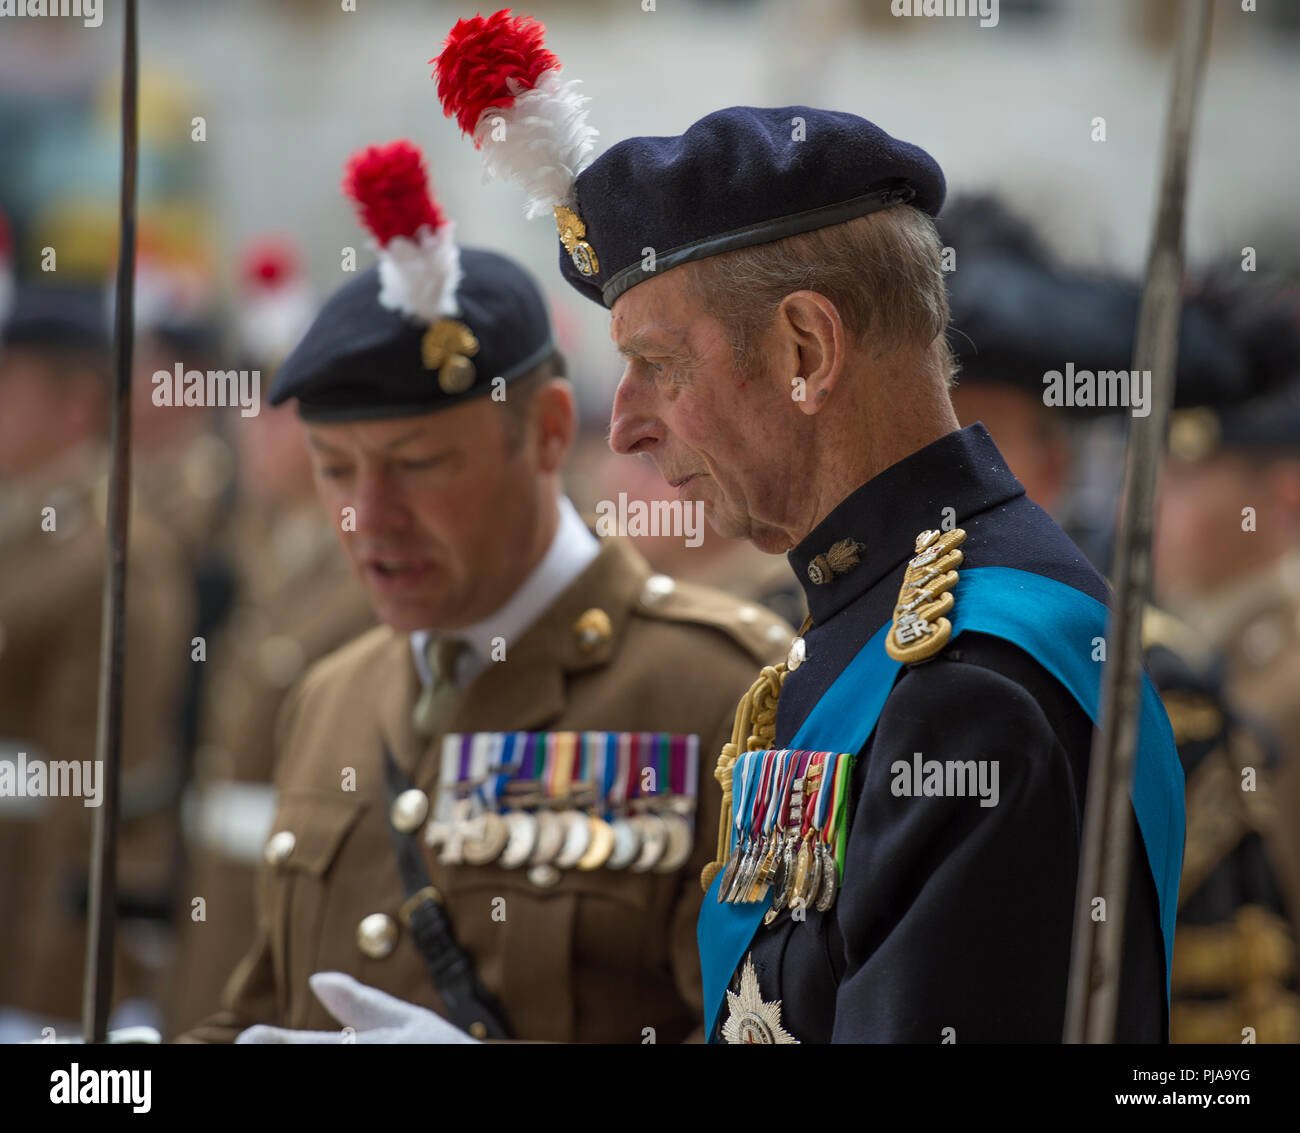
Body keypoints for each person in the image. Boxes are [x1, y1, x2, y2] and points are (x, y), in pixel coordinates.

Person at [434, 10, 1184, 1042]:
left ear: (803, 349)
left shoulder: (969, 684)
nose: (631, 423)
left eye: (659, 363)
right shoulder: (880, 617)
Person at [180, 140, 790, 1044]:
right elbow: (263, 1011)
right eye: (335, 471)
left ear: (546, 434)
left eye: (419, 465)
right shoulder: (331, 698)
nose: (368, 517)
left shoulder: (729, 695)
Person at [939, 195, 1299, 1043]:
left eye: (973, 436)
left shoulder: (1147, 688)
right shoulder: (796, 646)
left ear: (1054, 463)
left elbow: (1216, 1029)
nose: (932, 467)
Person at [165, 239, 375, 1036]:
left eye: (278, 409)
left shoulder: (364, 569)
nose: (253, 429)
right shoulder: (253, 549)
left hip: (295, 908)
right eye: (248, 405)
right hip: (214, 892)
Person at [0, 283, 191, 1040]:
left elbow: (107, 786)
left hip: (31, 939)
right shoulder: (27, 521)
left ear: (75, 404)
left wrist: (59, 987)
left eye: (8, 387)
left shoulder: (116, 549)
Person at [1157, 276, 1300, 969]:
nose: (1143, 503)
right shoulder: (1180, 648)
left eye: (1181, 478)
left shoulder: (1289, 677)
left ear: (1283, 496)